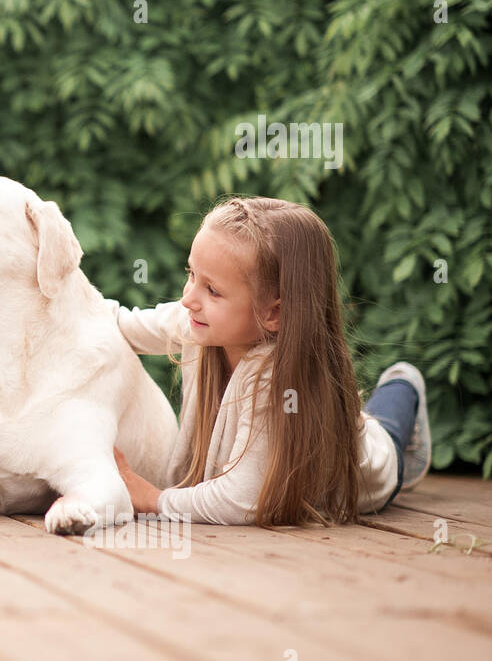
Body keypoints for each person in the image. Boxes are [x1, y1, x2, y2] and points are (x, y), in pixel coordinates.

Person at [108, 196, 431, 527]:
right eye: (191, 274)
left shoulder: (276, 381)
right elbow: (116, 324)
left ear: (273, 312)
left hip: (375, 470)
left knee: (390, 428)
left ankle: (405, 382)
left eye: (213, 290)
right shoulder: (197, 319)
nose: (189, 298)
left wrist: (154, 500)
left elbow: (241, 500)